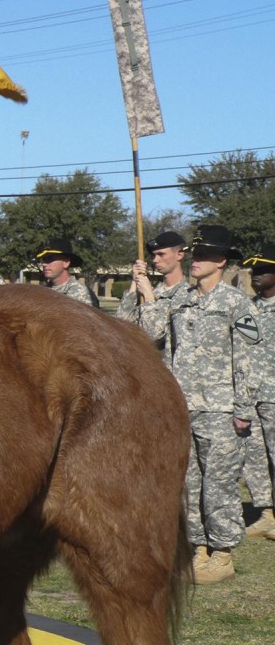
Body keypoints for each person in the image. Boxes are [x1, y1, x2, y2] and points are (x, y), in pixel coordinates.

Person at [139, 225, 262, 583]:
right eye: (195, 253)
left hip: (221, 409)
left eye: (205, 255)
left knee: (219, 485)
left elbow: (248, 357)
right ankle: (199, 549)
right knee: (189, 484)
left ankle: (222, 555)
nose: (196, 260)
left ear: (221, 261)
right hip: (184, 408)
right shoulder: (181, 299)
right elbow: (151, 335)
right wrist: (148, 294)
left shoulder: (235, 303)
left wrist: (243, 408)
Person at [243, 244, 275, 540]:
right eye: (254, 271)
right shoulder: (247, 307)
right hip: (253, 395)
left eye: (263, 270)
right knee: (254, 457)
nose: (256, 275)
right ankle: (266, 513)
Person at [116, 231, 188, 347]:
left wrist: (149, 297)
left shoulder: (189, 296)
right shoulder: (152, 292)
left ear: (179, 254)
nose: (155, 260)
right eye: (153, 255)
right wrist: (135, 281)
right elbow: (122, 326)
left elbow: (154, 337)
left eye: (161, 254)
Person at [35, 237, 95, 306]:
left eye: (50, 259)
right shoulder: (43, 291)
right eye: (44, 259)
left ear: (66, 263)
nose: (44, 264)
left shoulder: (79, 292)